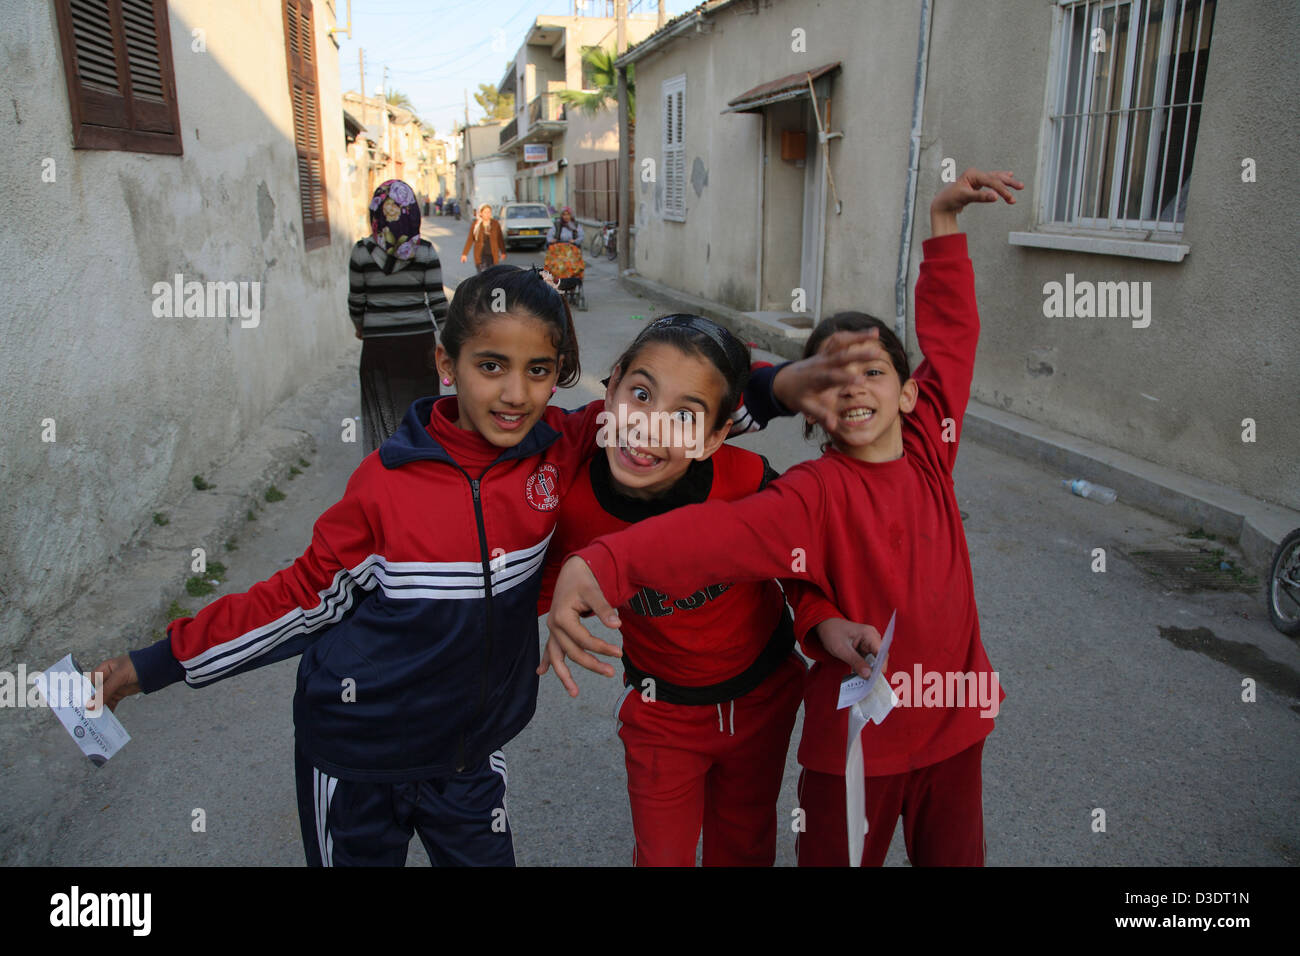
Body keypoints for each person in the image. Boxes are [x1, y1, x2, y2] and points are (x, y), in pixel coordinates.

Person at [87, 266, 872, 868]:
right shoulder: (384, 490)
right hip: (356, 750)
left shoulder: (563, 445)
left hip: (469, 753)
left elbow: (670, 408)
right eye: (490, 365)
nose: (515, 392)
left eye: (539, 371)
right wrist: (148, 666)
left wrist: (782, 384)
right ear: (446, 362)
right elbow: (296, 598)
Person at [543, 168, 1023, 867]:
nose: (855, 385)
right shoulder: (810, 493)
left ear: (913, 393)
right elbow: (716, 537)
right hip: (855, 744)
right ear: (817, 405)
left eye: (874, 370)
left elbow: (954, 339)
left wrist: (944, 226)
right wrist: (603, 561)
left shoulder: (931, 448)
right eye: (836, 374)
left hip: (956, 730)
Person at [537, 315, 859, 867]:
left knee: (745, 844)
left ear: (714, 438)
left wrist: (825, 621)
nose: (650, 427)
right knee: (662, 855)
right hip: (662, 716)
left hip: (763, 700)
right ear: (608, 387)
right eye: (640, 393)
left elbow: (801, 569)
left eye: (684, 416)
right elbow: (523, 586)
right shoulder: (573, 505)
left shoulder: (750, 481)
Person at [348, 179, 449, 453]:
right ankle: (421, 468)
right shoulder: (426, 251)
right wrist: (451, 343)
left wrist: (360, 326)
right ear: (411, 213)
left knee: (382, 415)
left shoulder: (360, 253)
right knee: (421, 414)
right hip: (419, 346)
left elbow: (357, 300)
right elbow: (438, 302)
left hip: (378, 347)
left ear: (376, 214)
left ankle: (385, 473)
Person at [461, 203, 505, 272]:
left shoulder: (495, 224)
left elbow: (500, 239)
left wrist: (503, 251)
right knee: (482, 275)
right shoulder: (476, 225)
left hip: (493, 255)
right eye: (485, 212)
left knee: (493, 275)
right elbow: (470, 239)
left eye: (489, 212)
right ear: (481, 213)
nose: (487, 214)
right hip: (480, 255)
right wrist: (464, 254)